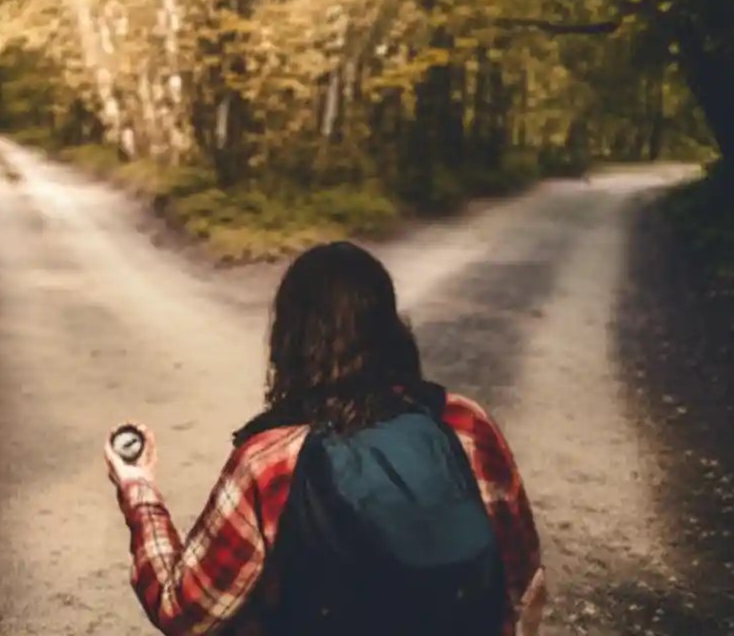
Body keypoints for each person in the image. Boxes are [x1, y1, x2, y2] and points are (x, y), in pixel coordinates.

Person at [105, 241, 546, 635]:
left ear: (289, 343)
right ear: (391, 329)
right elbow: (522, 576)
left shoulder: (270, 461)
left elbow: (184, 612)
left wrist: (138, 489)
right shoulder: (464, 422)